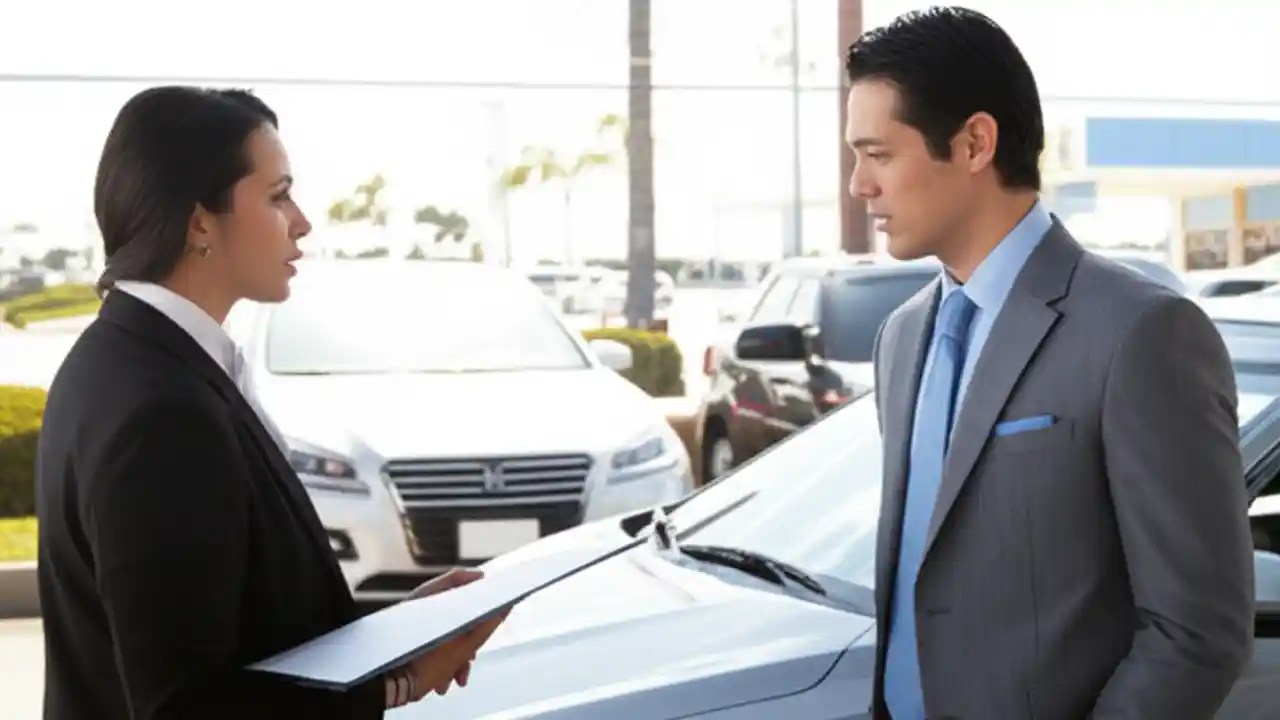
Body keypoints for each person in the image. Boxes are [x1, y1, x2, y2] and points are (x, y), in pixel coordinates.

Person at [35, 85, 506, 719]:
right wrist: (401, 680)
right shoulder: (162, 412)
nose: (303, 220)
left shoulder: (131, 357)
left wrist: (394, 633)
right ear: (200, 220)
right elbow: (189, 705)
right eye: (278, 196)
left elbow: (238, 620)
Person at [848, 7, 1255, 719]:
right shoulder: (901, 337)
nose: (859, 185)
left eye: (878, 154)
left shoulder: (1142, 333)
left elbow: (1197, 632)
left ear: (975, 142)